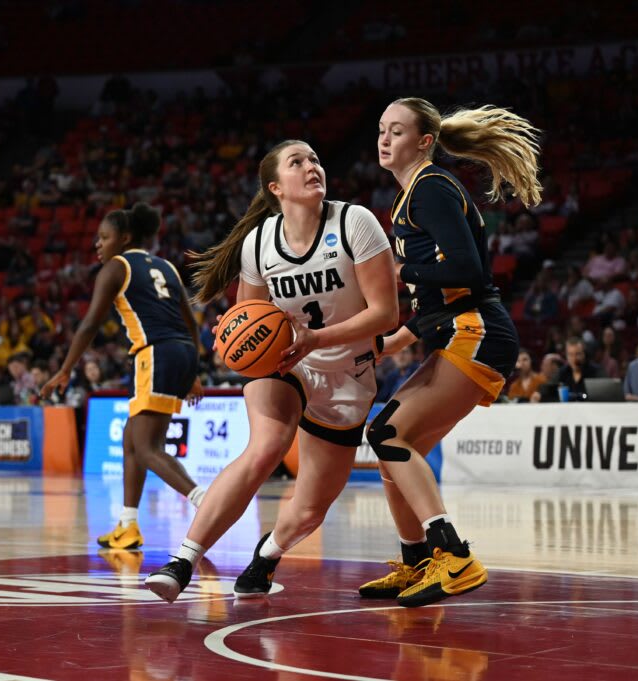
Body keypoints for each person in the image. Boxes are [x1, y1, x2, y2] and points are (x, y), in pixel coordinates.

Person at [145, 140, 397, 602]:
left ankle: (268, 553)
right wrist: (231, 338)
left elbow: (385, 313)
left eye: (316, 159)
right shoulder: (258, 243)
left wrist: (317, 339)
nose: (312, 166)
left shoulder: (355, 222)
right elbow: (248, 319)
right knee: (266, 447)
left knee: (310, 510)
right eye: (297, 162)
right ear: (276, 187)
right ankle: (183, 561)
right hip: (286, 364)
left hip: (346, 374)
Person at [357, 97, 540, 607]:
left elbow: (470, 273)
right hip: (458, 330)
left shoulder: (432, 188)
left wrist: (400, 272)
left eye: (396, 131)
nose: (384, 139)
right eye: (380, 129)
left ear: (425, 142)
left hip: (478, 332)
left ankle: (453, 554)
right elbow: (440, 298)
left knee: (388, 434)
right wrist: (394, 340)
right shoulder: (410, 196)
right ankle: (418, 563)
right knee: (394, 451)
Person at [41, 203, 208, 549]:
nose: (98, 245)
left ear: (125, 238)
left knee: (146, 447)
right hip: (180, 351)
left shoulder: (117, 268)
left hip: (154, 353)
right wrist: (192, 372)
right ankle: (128, 525)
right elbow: (191, 324)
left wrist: (65, 368)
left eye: (104, 237)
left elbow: (89, 325)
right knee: (132, 440)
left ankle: (206, 501)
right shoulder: (167, 267)